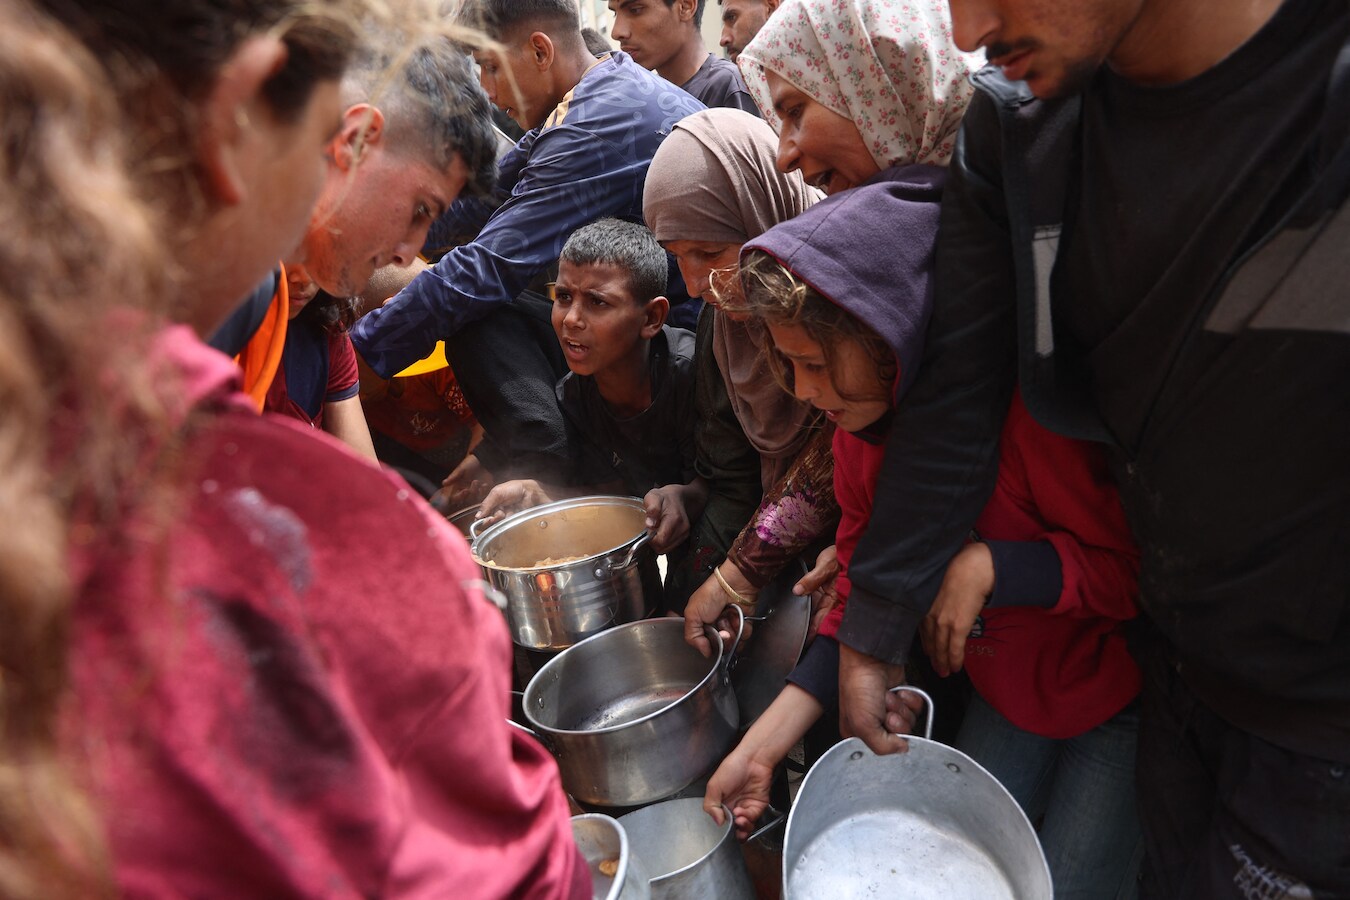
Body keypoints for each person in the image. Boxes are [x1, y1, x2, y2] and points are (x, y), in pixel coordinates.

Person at [13, 0, 591, 894]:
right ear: (342, 137)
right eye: (418, 213)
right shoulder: (237, 299)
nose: (409, 252)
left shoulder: (298, 312)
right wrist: (418, 581)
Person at [843, 0, 1350, 895]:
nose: (965, 32)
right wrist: (874, 626)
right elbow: (959, 394)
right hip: (1171, 665)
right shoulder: (1016, 133)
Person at [702, 185, 1145, 899]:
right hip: (1006, 695)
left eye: (818, 363)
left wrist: (998, 566)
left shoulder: (1032, 428)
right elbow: (860, 579)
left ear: (894, 333)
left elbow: (1134, 573)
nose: (805, 390)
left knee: (1068, 879)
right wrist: (763, 746)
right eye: (789, 365)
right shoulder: (857, 435)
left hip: (1112, 704)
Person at [676, 0, 977, 637]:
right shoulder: (747, 307)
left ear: (877, 82)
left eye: (795, 110)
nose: (785, 155)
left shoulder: (980, 231)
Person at [350, 0, 705, 492]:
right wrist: (371, 231)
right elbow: (484, 200)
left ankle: (550, 470)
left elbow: (487, 266)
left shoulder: (596, 125)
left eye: (490, 68)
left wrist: (359, 354)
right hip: (642, 340)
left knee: (476, 310)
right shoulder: (590, 95)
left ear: (540, 51)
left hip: (685, 358)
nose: (490, 93)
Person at [210, 34, 500, 409]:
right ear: (356, 139)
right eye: (420, 210)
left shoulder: (269, 284)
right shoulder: (217, 262)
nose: (408, 252)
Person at [643, 108, 833, 614]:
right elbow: (731, 477)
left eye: (708, 251)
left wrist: (734, 581)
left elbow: (843, 456)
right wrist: (690, 498)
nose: (692, 284)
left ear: (760, 209)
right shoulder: (724, 322)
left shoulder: (841, 298)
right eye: (676, 256)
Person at [480, 219, 703, 558]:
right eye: (564, 297)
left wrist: (687, 495)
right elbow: (613, 494)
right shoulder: (574, 396)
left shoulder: (693, 373)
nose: (571, 319)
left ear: (652, 318)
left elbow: (733, 487)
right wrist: (542, 496)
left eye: (597, 302)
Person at [263, 266, 378, 459]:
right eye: (293, 251)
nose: (304, 278)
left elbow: (361, 468)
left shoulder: (327, 332)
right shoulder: (216, 330)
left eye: (320, 256)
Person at [608, 0, 760, 113]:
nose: (616, 32)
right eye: (615, 14)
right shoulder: (638, 97)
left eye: (635, 10)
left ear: (685, 7)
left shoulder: (728, 86)